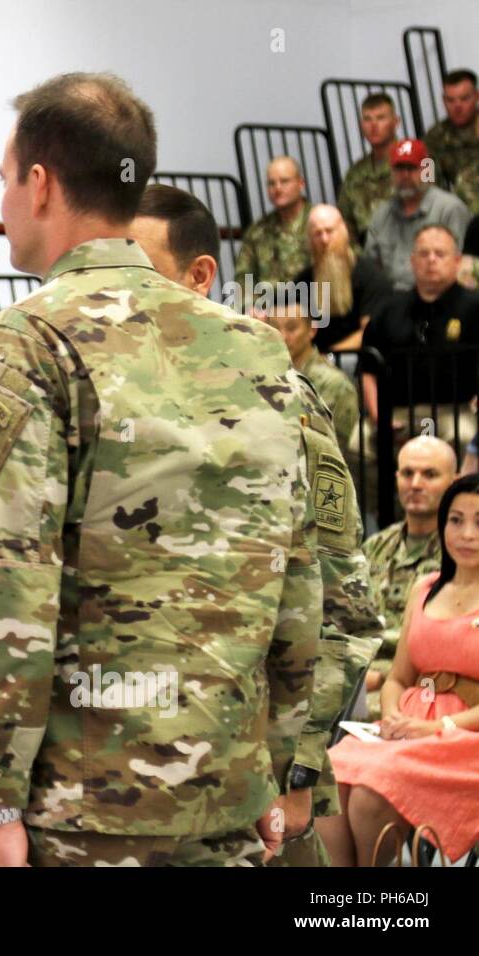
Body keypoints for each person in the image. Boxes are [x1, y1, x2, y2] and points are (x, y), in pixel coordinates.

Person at [0, 73, 320, 868]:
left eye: (4, 179)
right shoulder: (253, 347)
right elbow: (298, 576)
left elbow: (3, 585)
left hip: (86, 809)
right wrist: (276, 765)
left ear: (39, 184)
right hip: (225, 790)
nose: (3, 199)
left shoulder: (28, 342)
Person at [130, 183, 382, 867]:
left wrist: (298, 769)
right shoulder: (103, 400)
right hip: (131, 782)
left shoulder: (280, 399)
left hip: (255, 777)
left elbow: (347, 608)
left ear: (199, 275)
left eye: (140, 272)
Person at [318, 474, 479, 866]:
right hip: (408, 724)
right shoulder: (425, 588)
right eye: (455, 520)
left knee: (374, 793)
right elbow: (400, 677)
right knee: (331, 778)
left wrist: (439, 728)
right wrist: (391, 712)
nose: (467, 533)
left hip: (464, 735)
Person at [361, 225, 479, 450]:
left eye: (440, 253)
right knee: (360, 443)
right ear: (413, 261)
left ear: (457, 261)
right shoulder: (388, 309)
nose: (431, 260)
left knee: (465, 437)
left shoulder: (475, 306)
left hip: (455, 411)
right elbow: (368, 369)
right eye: (424, 254)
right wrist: (378, 416)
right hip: (398, 412)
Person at [361, 437, 453, 715]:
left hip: (423, 689)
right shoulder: (375, 547)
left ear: (454, 480)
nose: (415, 483)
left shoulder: (462, 553)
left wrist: (379, 678)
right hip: (358, 683)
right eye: (407, 473)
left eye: (430, 474)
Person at [364, 139, 471, 291]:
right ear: (391, 172)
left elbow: (461, 268)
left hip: (438, 298)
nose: (405, 175)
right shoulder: (382, 214)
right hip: (391, 301)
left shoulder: (450, 209)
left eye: (411, 168)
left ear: (426, 170)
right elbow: (371, 270)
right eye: (399, 169)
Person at [291, 204, 390, 352]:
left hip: (361, 362)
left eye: (330, 231)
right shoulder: (302, 281)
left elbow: (370, 333)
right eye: (317, 234)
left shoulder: (370, 276)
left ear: (344, 232)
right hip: (314, 365)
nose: (324, 239)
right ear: (310, 240)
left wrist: (330, 358)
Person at [265, 304, 359, 460]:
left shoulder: (334, 383)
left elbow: (332, 449)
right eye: (275, 328)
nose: (283, 337)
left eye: (292, 328)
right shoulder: (265, 374)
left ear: (312, 330)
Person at [234, 155, 312, 289]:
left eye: (285, 181)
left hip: (313, 304)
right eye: (271, 183)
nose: (278, 188)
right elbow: (243, 280)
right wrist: (251, 307)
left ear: (301, 183)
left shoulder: (320, 223)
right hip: (267, 306)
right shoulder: (257, 232)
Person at [338, 93, 402, 242]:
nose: (374, 126)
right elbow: (345, 221)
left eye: (381, 118)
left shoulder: (423, 160)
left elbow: (433, 207)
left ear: (396, 122)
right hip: (367, 251)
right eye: (367, 119)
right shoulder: (354, 174)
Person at [424, 69, 479, 211]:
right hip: (463, 215)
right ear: (443, 100)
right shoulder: (435, 136)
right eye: (450, 100)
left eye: (464, 99)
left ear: (477, 97)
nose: (457, 106)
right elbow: (427, 179)